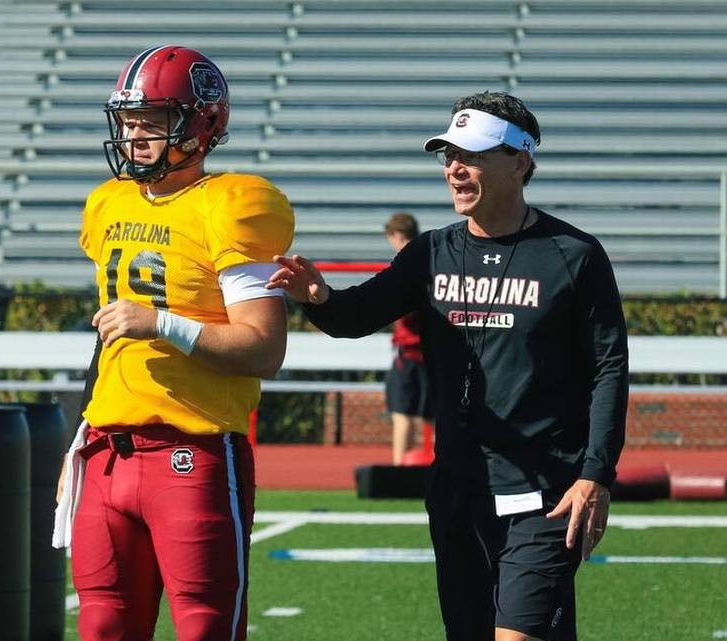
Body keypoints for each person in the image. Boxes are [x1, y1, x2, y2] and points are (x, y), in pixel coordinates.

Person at [268, 92, 628, 641]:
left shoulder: (574, 255)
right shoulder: (431, 252)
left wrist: (595, 474)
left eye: (475, 154)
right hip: (458, 488)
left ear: (521, 161)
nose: (456, 168)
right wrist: (318, 297)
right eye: (449, 156)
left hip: (546, 495)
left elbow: (609, 369)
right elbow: (357, 314)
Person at [53, 45, 295, 641]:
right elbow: (109, 339)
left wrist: (164, 323)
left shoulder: (234, 203)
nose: (135, 134)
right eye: (129, 120)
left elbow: (263, 346)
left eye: (152, 121)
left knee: (203, 627)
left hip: (195, 452)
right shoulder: (108, 203)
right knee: (102, 625)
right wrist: (77, 436)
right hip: (108, 452)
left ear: (200, 125)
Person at [382, 212, 433, 464]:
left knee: (402, 414)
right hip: (431, 353)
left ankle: (398, 469)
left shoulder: (406, 263)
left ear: (396, 235)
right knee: (435, 417)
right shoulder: (430, 258)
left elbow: (399, 308)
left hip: (410, 353)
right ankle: (445, 470)